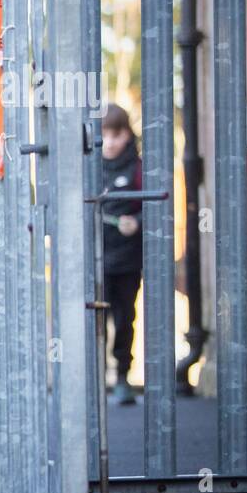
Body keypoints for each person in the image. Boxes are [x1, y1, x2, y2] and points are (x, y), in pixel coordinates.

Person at [100, 103, 143, 405]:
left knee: (125, 318)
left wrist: (137, 222)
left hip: (128, 260)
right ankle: (93, 377)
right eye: (105, 135)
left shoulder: (139, 169)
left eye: (117, 134)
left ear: (127, 135)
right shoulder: (88, 167)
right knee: (93, 318)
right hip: (95, 259)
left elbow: (155, 208)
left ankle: (123, 377)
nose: (111, 141)